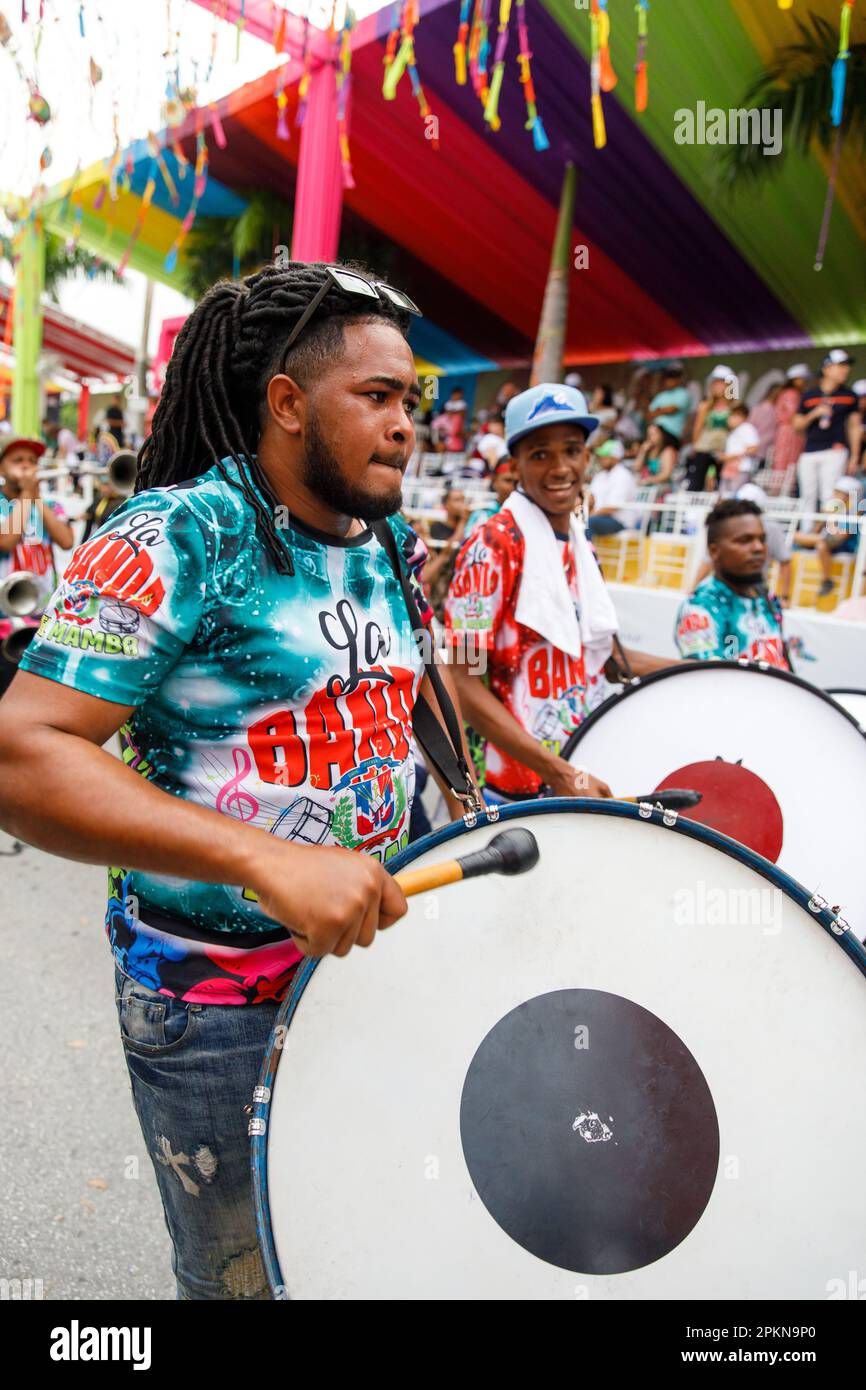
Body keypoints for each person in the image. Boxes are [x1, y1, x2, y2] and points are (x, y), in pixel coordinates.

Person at [0, 259, 477, 1301]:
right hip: (214, 1006)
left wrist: (515, 775)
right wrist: (263, 859)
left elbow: (409, 684)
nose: (408, 424)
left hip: (362, 965)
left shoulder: (382, 538)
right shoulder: (174, 537)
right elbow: (22, 754)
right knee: (243, 1281)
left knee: (350, 1241)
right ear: (287, 403)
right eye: (377, 397)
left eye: (414, 399)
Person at [444, 383, 676, 803]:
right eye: (539, 454)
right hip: (511, 789)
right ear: (514, 465)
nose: (560, 468)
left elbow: (606, 661)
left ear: (587, 457)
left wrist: (706, 670)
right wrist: (562, 773)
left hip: (578, 771)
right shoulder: (491, 546)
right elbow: (461, 680)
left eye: (571, 450)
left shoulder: (579, 545)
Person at [675, 498, 790, 669]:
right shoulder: (700, 607)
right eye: (745, 540)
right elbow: (708, 678)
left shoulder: (767, 597)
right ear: (714, 551)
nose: (759, 548)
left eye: (762, 539)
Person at [0, 436, 75, 694]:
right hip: (4, 620)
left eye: (33, 461)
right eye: (17, 460)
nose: (27, 466)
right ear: (1, 468)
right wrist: (27, 495)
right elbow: (6, 540)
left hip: (42, 618)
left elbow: (66, 540)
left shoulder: (49, 505)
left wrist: (36, 498)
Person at [794, 349, 862, 528]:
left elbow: (854, 426)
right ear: (826, 368)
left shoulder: (849, 395)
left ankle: (825, 537)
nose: (845, 370)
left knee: (828, 495)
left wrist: (854, 456)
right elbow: (797, 425)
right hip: (810, 451)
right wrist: (814, 414)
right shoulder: (809, 396)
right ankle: (805, 536)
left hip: (835, 450)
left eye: (846, 366)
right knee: (807, 496)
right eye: (840, 366)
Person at [792, 474, 863, 598]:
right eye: (836, 492)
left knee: (820, 544)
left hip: (843, 546)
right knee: (796, 536)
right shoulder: (833, 509)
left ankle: (827, 581)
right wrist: (824, 517)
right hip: (825, 541)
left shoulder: (854, 512)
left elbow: (843, 536)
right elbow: (816, 531)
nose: (836, 496)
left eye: (840, 493)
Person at [422, 483, 470, 622]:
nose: (462, 504)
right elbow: (451, 547)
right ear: (446, 505)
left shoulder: (471, 526)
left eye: (463, 499)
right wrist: (463, 521)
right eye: (456, 500)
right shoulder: (437, 528)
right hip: (441, 590)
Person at [687, 366, 735, 491]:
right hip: (704, 449)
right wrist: (695, 446)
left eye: (721, 383)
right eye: (715, 383)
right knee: (696, 483)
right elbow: (698, 428)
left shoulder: (734, 406)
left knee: (717, 485)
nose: (718, 386)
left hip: (723, 452)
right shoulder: (705, 406)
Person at [586, 439, 638, 538]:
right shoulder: (600, 475)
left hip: (619, 521)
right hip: (599, 517)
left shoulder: (623, 475)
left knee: (587, 523)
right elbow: (590, 498)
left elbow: (613, 507)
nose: (601, 459)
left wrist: (590, 515)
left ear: (615, 458)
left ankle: (587, 553)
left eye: (605, 456)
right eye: (601, 456)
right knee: (575, 520)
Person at [646, 362, 692, 461]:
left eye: (672, 377)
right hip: (656, 431)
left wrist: (658, 410)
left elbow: (672, 409)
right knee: (651, 438)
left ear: (678, 379)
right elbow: (649, 414)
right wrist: (664, 410)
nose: (669, 381)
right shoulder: (661, 395)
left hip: (672, 434)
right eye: (667, 377)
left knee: (655, 438)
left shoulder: (683, 394)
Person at [465, 456, 518, 534]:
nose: (514, 487)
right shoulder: (483, 514)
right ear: (494, 481)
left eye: (518, 482)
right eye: (508, 480)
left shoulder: (531, 514)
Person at [773, 364, 809, 479]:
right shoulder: (792, 393)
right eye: (802, 379)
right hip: (790, 433)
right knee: (787, 463)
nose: (804, 382)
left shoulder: (785, 392)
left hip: (786, 431)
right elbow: (793, 414)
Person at [718, 403, 760, 496]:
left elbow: (753, 447)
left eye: (734, 416)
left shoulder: (747, 428)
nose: (730, 419)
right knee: (724, 493)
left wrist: (733, 457)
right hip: (729, 467)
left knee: (735, 493)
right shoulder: (734, 431)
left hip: (741, 468)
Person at [636, 422, 677, 492]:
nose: (651, 437)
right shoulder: (647, 451)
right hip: (647, 490)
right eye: (649, 434)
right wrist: (642, 452)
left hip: (662, 490)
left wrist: (649, 480)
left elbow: (666, 474)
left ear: (661, 435)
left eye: (654, 433)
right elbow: (637, 468)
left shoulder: (667, 451)